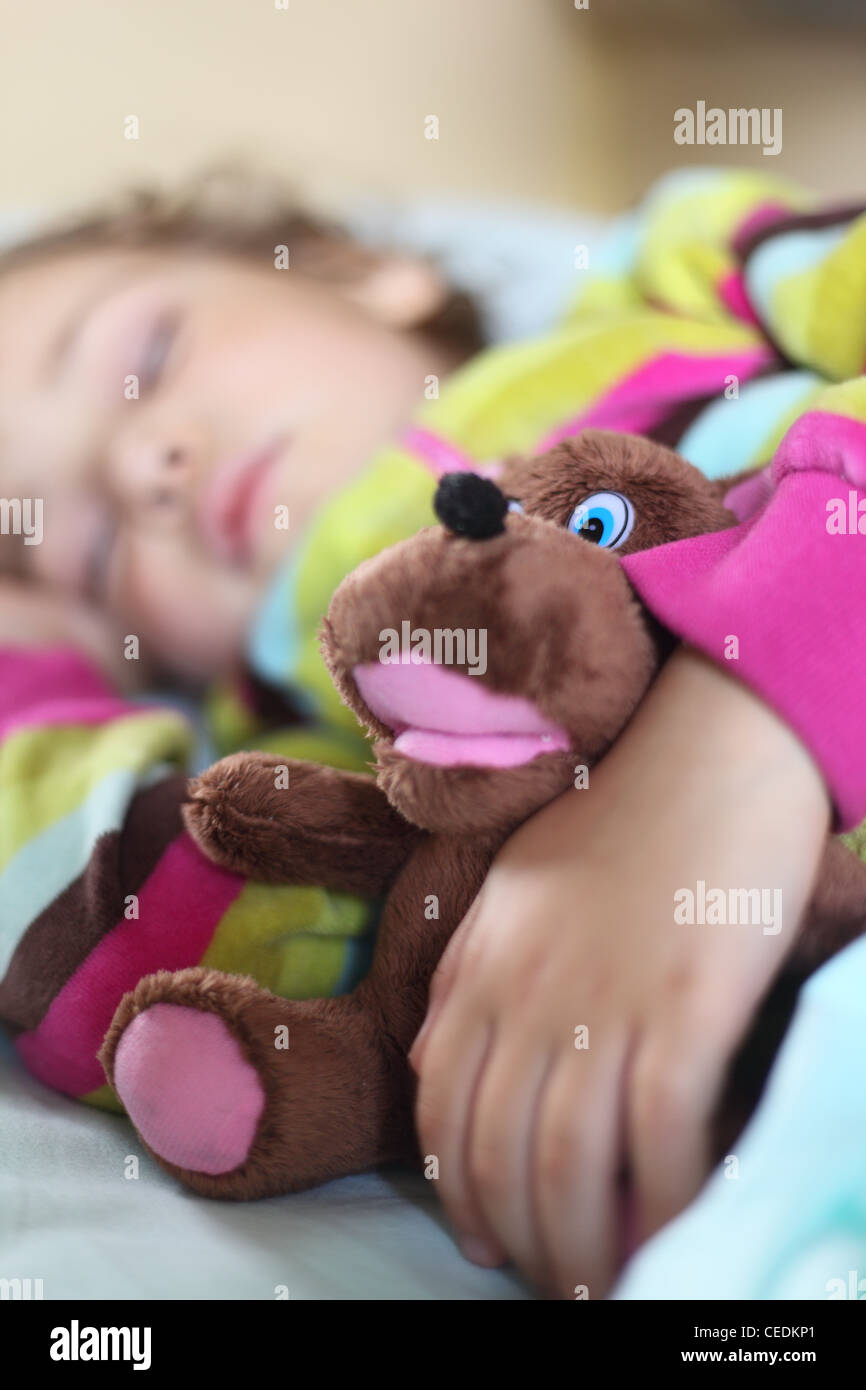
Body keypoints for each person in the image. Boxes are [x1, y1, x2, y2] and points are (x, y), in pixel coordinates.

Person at [1, 165, 864, 1298]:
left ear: (358, 274)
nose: (142, 469)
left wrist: (739, 726)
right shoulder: (301, 752)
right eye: (92, 550)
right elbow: (98, 946)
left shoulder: (680, 283)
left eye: (145, 360)